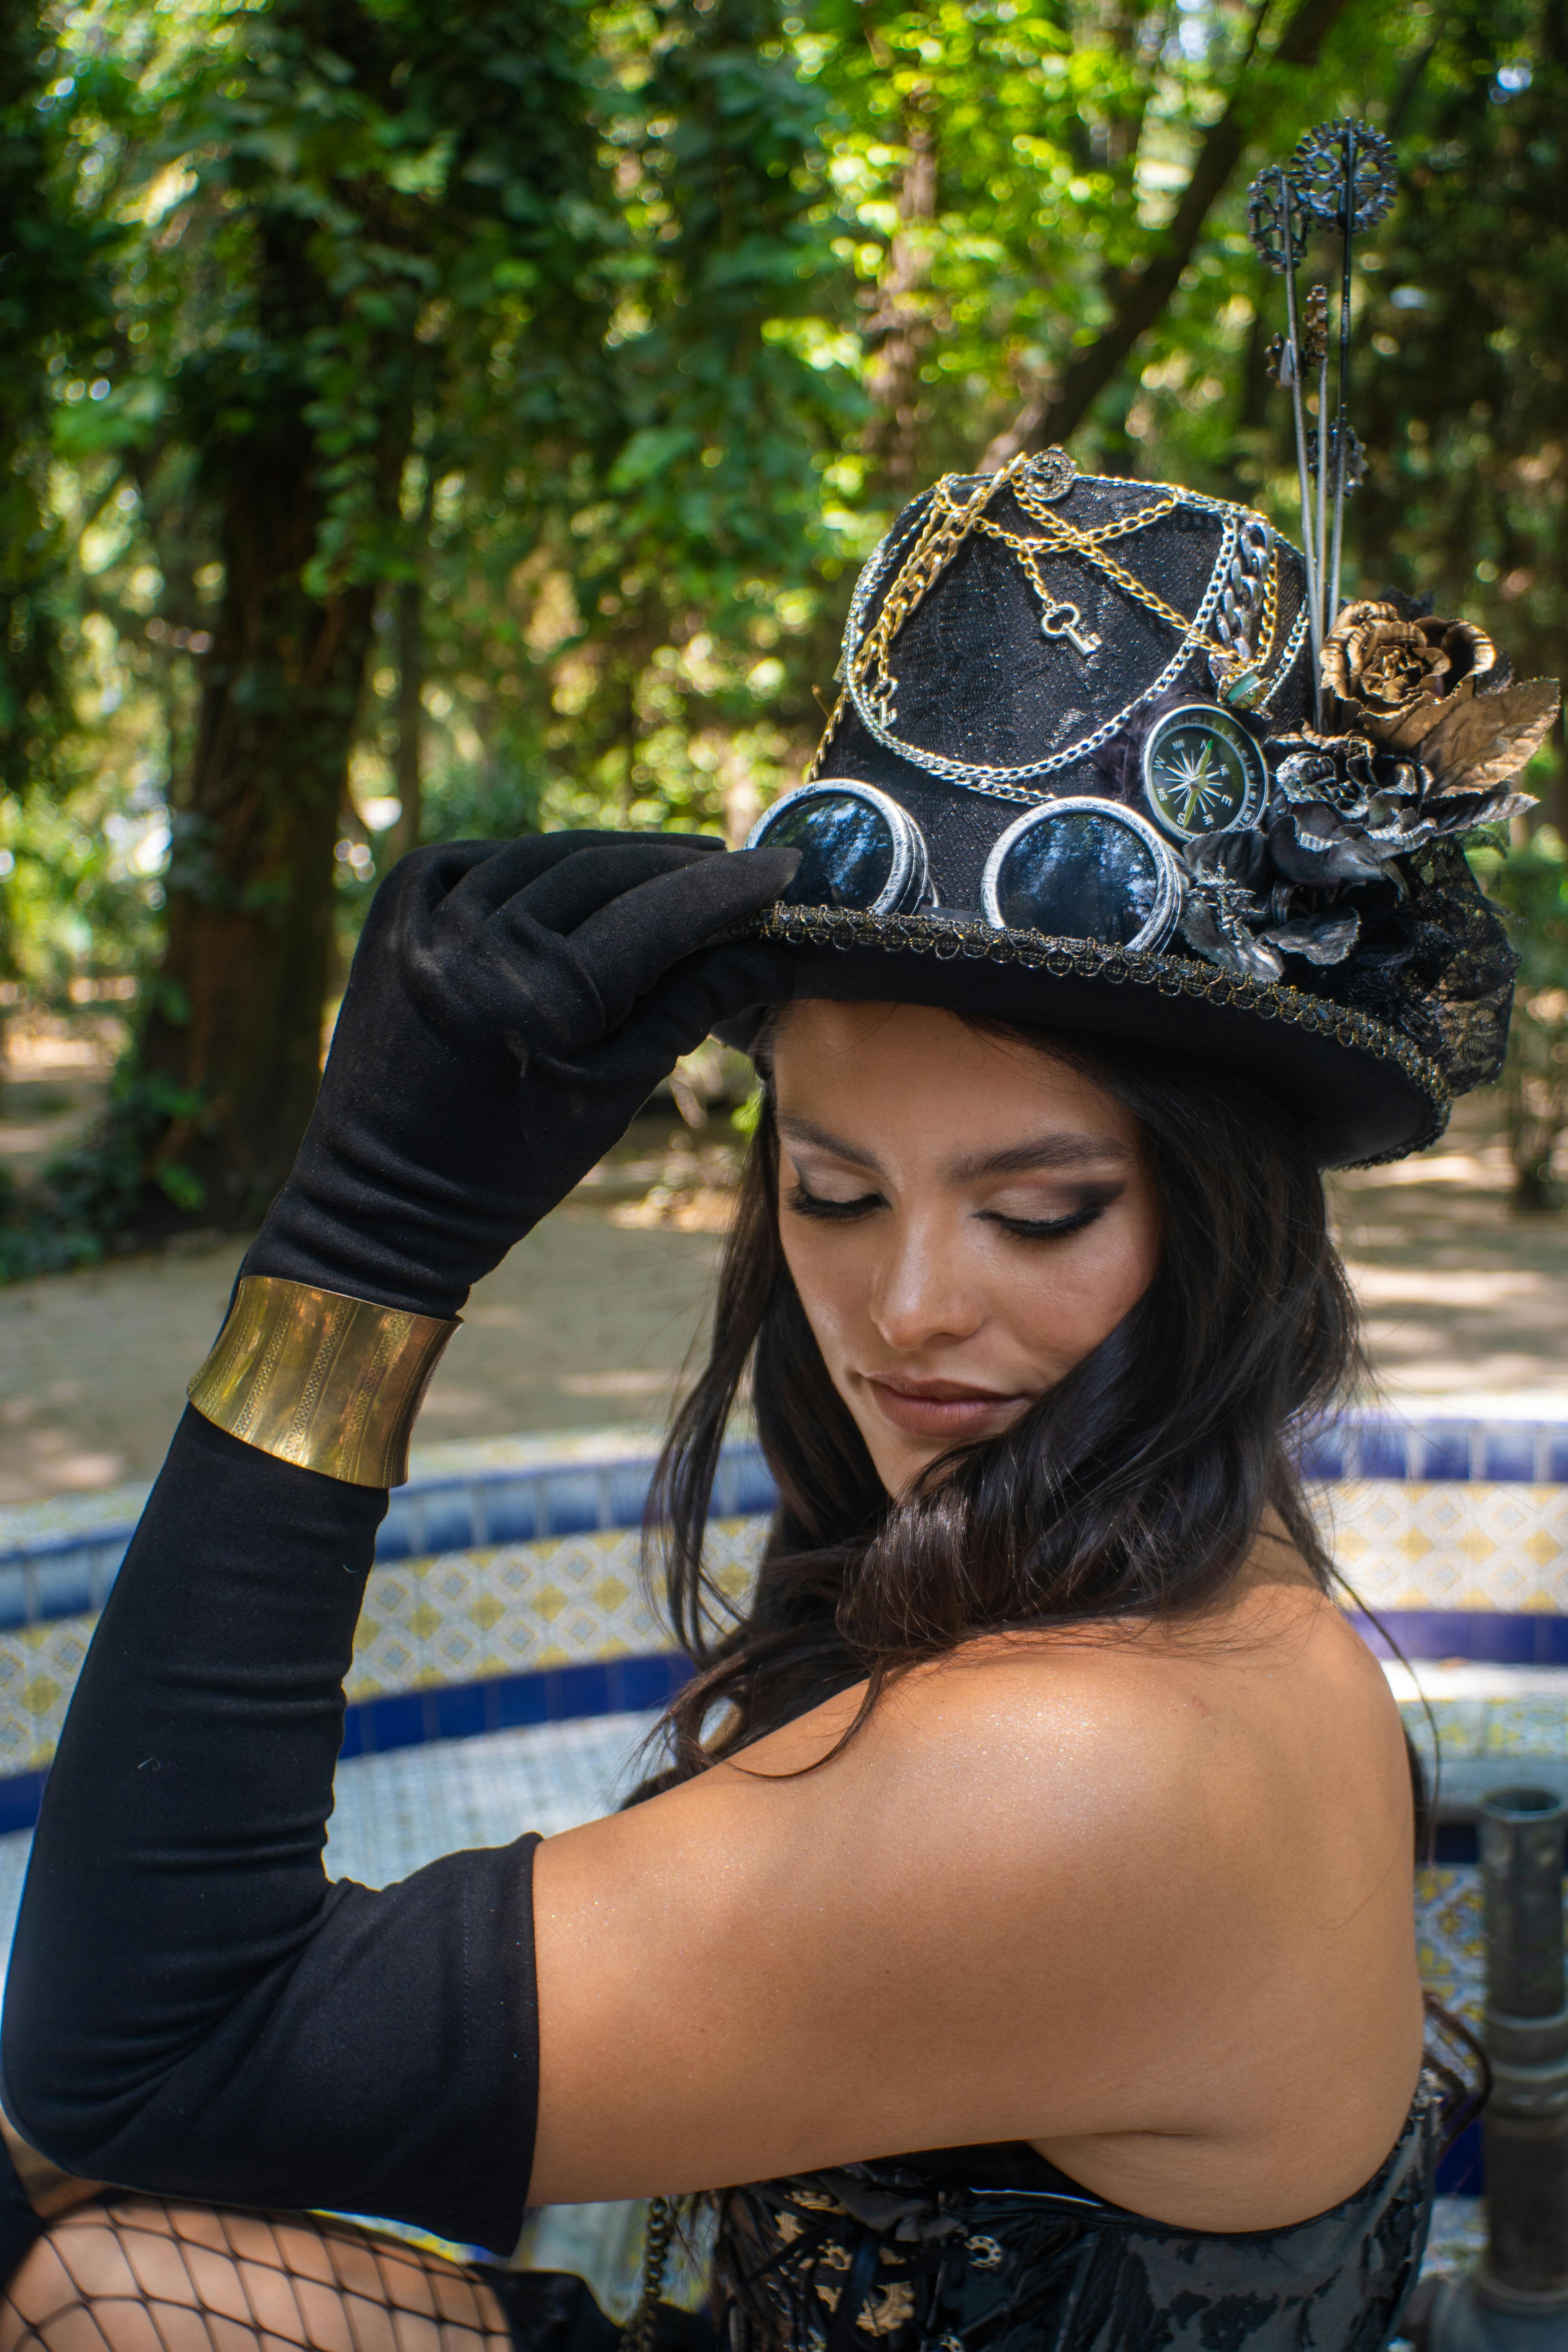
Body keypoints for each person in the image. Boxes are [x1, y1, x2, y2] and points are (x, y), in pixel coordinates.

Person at [0, 437, 1542, 2352]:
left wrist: (363, 1254)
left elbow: (145, 2048)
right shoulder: (1219, 1602)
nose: (902, 1309)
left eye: (1040, 1212)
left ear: (1223, 1228)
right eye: (830, 1191)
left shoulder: (1082, 1772)